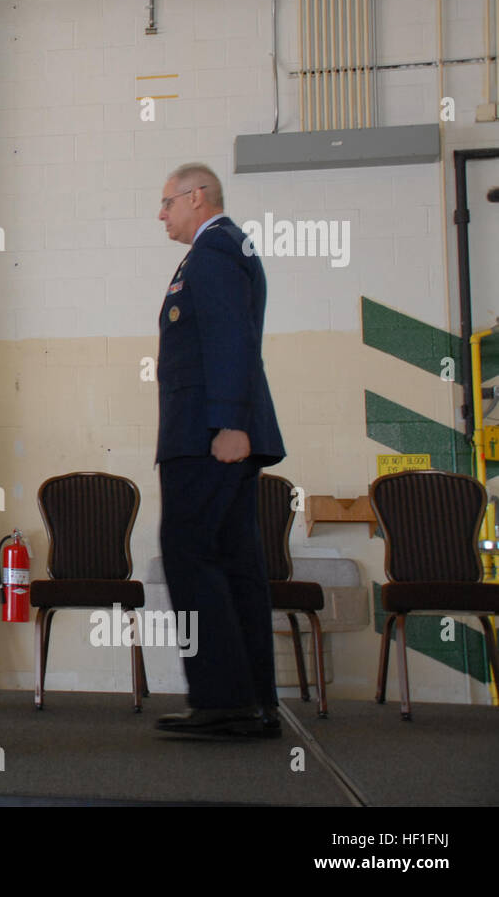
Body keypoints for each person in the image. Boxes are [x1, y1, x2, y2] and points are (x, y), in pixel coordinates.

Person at [151, 163, 286, 740]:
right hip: (209, 431)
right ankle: (251, 700)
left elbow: (230, 338)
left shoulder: (215, 251)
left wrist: (230, 423)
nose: (161, 214)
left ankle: (223, 698)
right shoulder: (220, 250)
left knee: (188, 553)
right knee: (234, 564)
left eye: (167, 202)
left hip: (209, 435)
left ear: (197, 196)